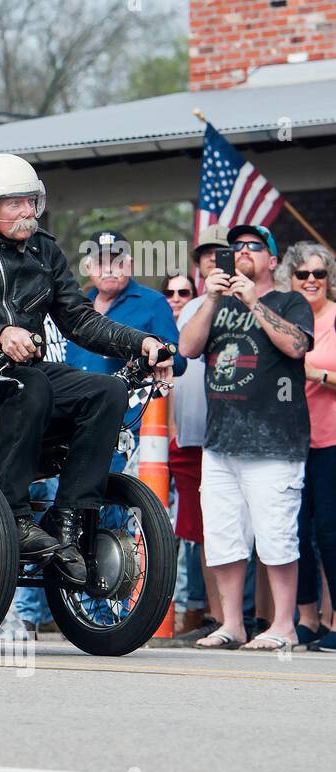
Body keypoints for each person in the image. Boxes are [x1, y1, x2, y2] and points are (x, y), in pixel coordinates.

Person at [0, 153, 170, 583]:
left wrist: (141, 342)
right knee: (30, 382)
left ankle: (69, 517)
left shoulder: (44, 250)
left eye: (32, 201)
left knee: (107, 391)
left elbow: (79, 318)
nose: (27, 212)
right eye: (14, 203)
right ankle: (15, 518)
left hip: (24, 371)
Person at [181, 225, 314, 651]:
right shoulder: (214, 305)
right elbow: (186, 348)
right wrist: (214, 298)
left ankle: (283, 626)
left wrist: (254, 302)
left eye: (253, 247)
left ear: (272, 261)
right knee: (223, 536)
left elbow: (296, 346)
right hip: (220, 441)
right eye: (235, 247)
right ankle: (232, 624)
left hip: (275, 441)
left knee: (276, 536)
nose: (241, 253)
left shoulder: (289, 300)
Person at [167, 227, 229, 640]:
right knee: (203, 531)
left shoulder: (243, 302)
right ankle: (216, 617)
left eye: (220, 254)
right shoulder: (192, 310)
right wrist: (173, 430)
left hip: (229, 436)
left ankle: (252, 616)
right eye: (206, 255)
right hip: (189, 438)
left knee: (239, 528)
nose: (213, 260)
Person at [280, 241, 336, 650]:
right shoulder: (285, 318)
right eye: (304, 275)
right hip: (289, 441)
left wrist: (317, 374)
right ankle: (307, 618)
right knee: (296, 532)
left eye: (319, 274)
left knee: (330, 532)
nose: (312, 281)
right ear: (291, 279)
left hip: (332, 439)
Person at [65, 229, 183, 381]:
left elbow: (179, 362)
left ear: (130, 265)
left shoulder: (153, 302)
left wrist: (141, 352)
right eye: (100, 262)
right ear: (88, 268)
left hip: (129, 401)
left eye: (117, 262)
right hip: (77, 400)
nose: (108, 269)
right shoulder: (76, 304)